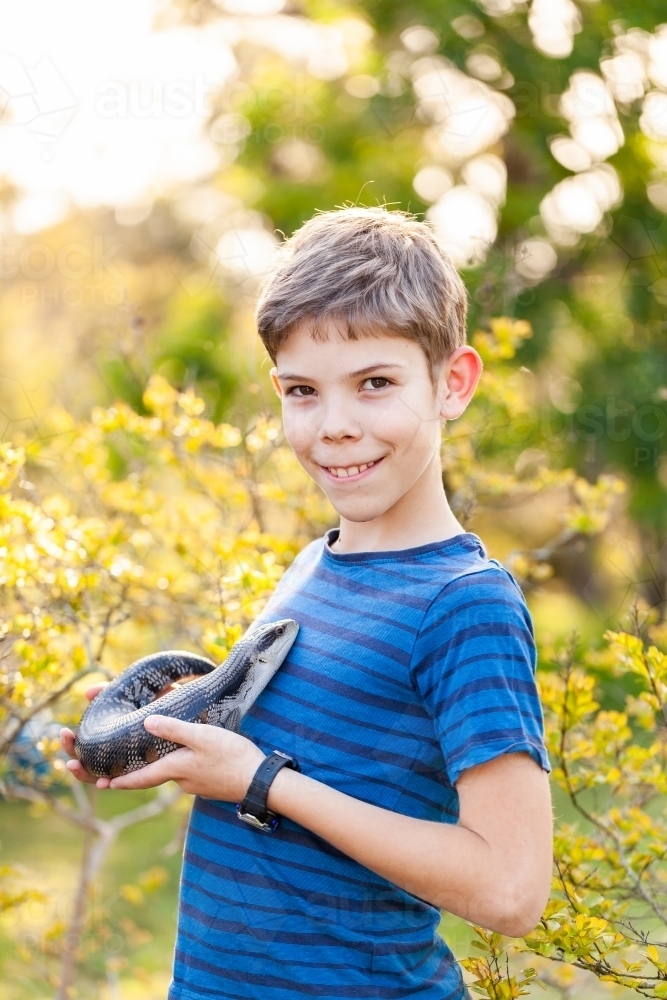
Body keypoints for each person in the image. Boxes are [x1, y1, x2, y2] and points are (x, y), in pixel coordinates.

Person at [61, 207, 553, 1000]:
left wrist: (261, 781)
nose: (334, 427)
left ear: (451, 384)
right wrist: (138, 744)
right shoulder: (311, 565)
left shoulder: (464, 606)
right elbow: (294, 761)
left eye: (375, 384)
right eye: (302, 391)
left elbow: (510, 889)